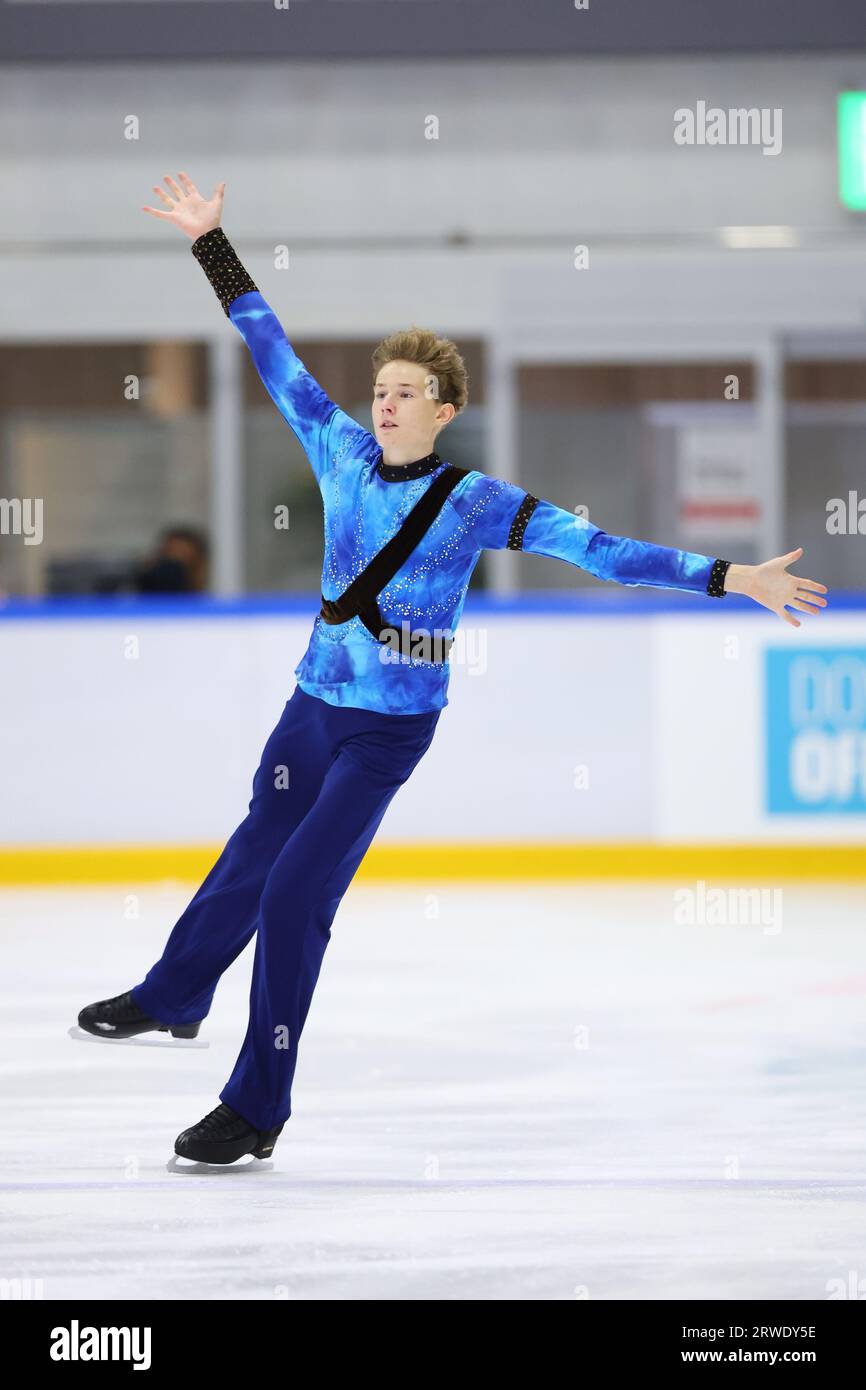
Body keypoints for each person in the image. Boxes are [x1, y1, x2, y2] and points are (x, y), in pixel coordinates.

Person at [76, 172, 829, 1166]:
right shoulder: (338, 452)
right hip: (310, 706)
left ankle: (257, 1104)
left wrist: (730, 576)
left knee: (297, 893)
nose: (384, 404)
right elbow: (271, 353)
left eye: (405, 394)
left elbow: (595, 550)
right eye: (380, 389)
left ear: (444, 411)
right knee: (255, 847)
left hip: (384, 732)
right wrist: (211, 244)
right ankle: (175, 991)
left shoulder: (473, 501)